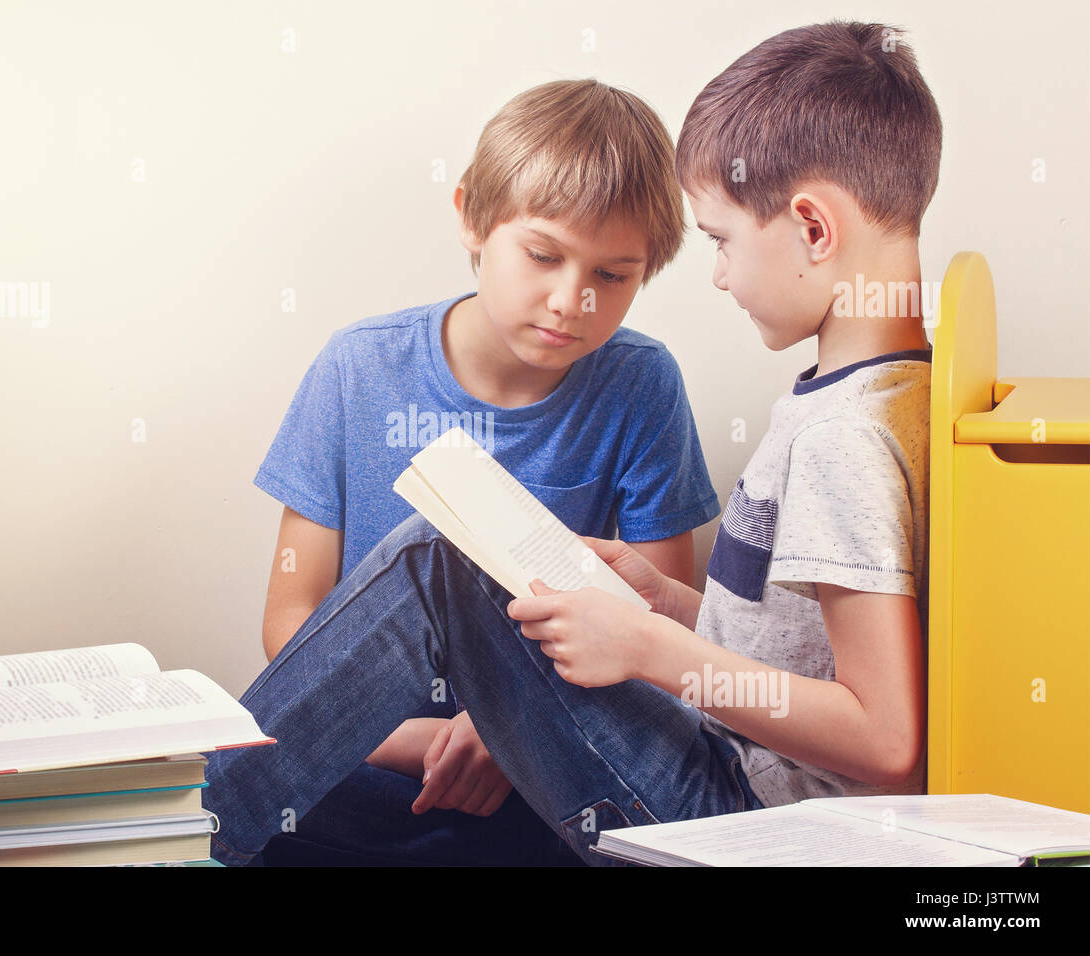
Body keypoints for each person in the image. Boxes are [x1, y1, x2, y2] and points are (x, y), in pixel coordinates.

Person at [208, 18, 941, 865]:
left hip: (743, 815)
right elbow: (791, 656)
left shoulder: (840, 437)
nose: (720, 275)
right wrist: (661, 606)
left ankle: (190, 825)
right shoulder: (866, 400)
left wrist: (648, 643)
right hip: (730, 781)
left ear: (813, 229)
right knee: (439, 564)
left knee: (433, 560)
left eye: (721, 242)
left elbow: (887, 739)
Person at [249, 78, 722, 864]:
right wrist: (427, 742)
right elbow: (290, 622)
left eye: (614, 276)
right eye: (543, 255)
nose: (573, 299)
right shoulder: (357, 367)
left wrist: (509, 738)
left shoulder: (641, 383)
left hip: (540, 796)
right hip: (353, 779)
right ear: (472, 217)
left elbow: (654, 646)